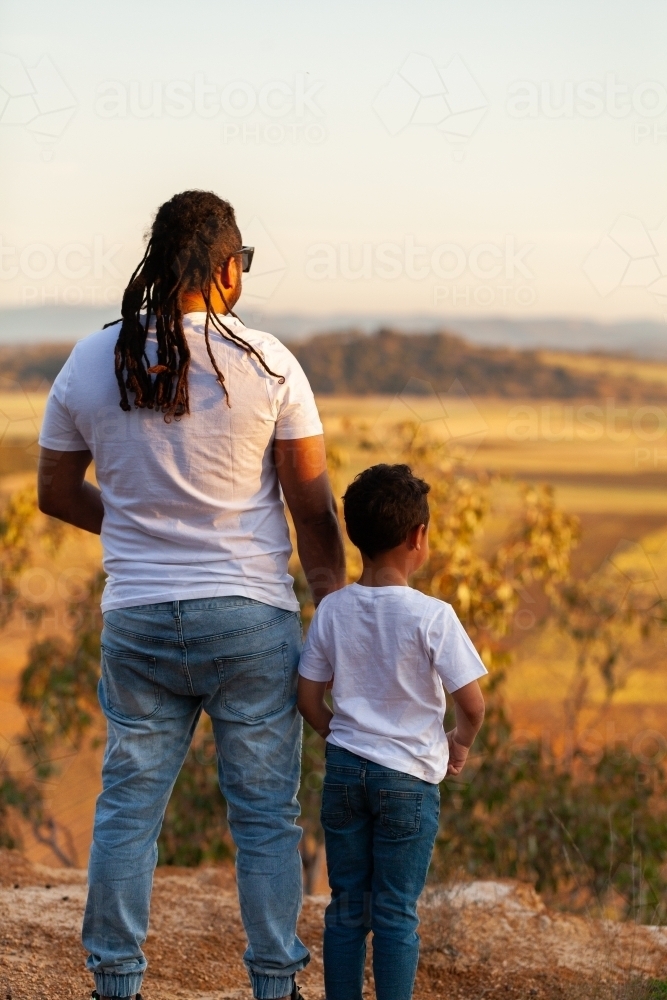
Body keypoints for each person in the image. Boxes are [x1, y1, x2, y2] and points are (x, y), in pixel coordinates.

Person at [37, 190, 346, 1000]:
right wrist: (337, 614)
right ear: (223, 269)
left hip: (137, 619)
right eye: (241, 263)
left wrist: (138, 532)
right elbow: (312, 509)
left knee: (128, 806)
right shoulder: (268, 362)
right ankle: (275, 981)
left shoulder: (88, 361)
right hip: (249, 619)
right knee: (264, 818)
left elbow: (55, 493)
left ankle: (115, 980)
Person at [297, 463, 486, 1000]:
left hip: (345, 775)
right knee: (397, 915)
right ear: (418, 537)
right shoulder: (434, 616)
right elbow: (472, 705)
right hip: (408, 783)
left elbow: (309, 699)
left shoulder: (332, 610)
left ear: (355, 536)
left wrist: (344, 737)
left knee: (347, 908)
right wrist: (460, 743)